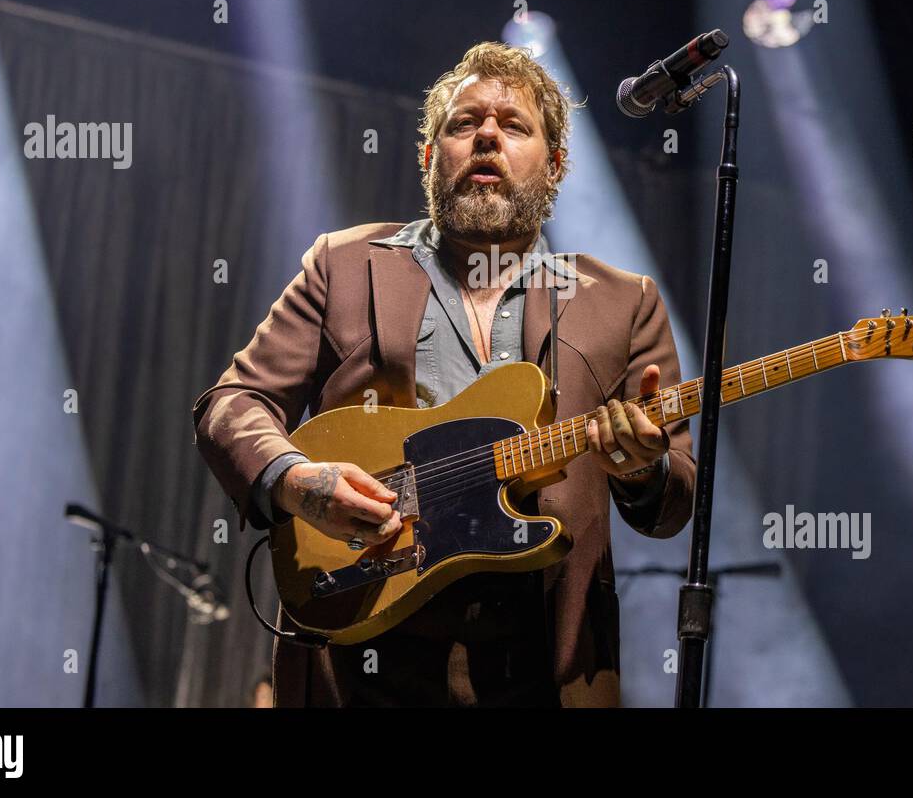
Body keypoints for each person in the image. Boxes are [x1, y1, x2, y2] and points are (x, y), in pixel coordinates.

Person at [193, 41, 696, 706]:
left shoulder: (623, 300)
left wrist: (638, 467)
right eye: (465, 123)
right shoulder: (342, 264)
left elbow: (673, 500)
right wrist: (297, 480)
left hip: (541, 665)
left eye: (513, 125)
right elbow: (234, 401)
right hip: (360, 644)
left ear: (556, 166)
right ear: (430, 157)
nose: (487, 133)